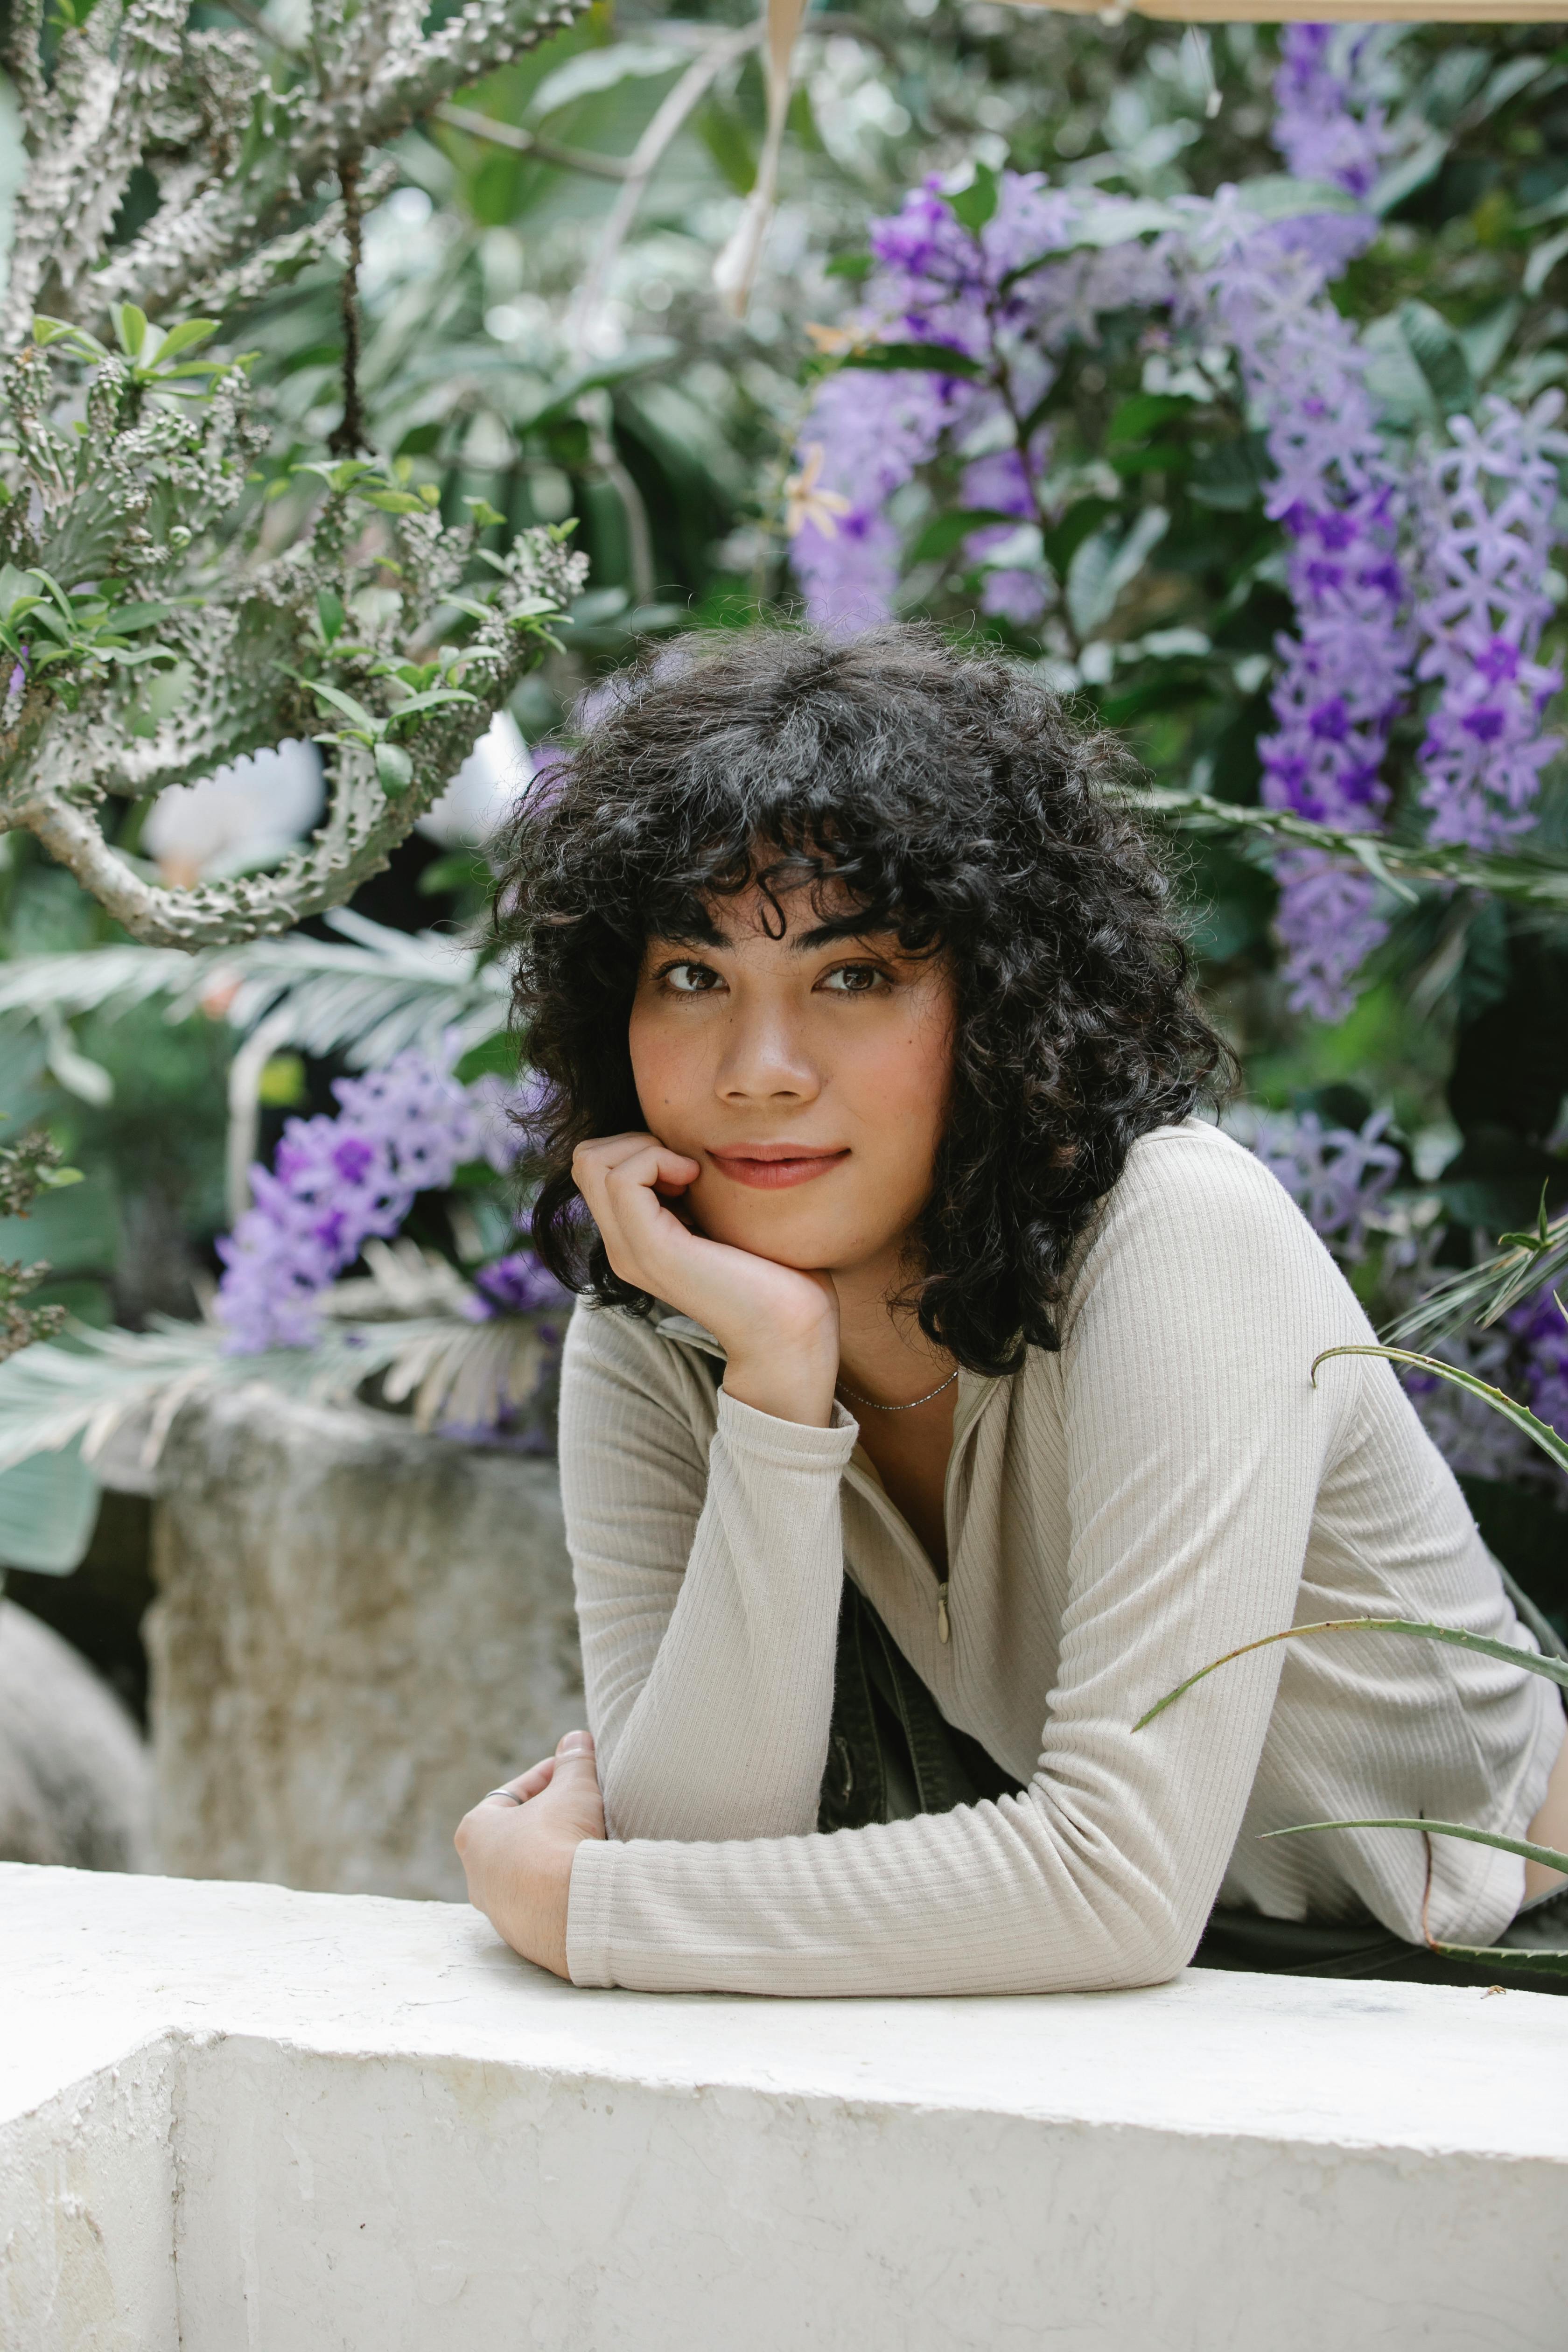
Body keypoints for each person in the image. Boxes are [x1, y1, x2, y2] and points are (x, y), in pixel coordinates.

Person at [455, 625, 1568, 1996]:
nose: (760, 1071)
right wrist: (780, 1375)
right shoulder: (668, 1321)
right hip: (1185, 2002)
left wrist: (587, 1915)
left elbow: (1115, 1883)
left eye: (852, 976)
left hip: (1496, 1976)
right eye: (693, 977)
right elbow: (701, 1843)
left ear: (998, 998)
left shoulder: (1173, 1232)